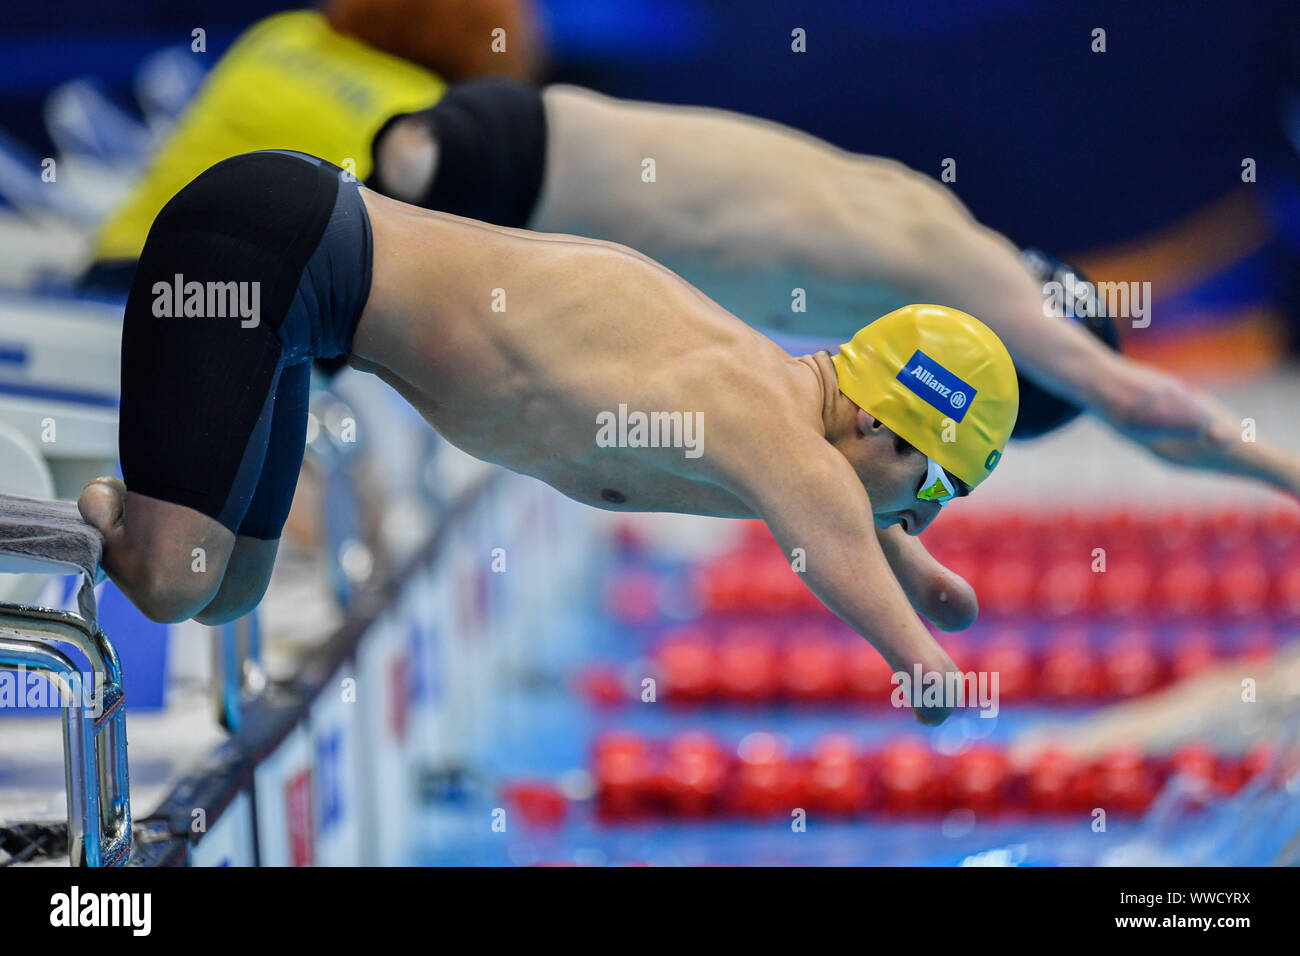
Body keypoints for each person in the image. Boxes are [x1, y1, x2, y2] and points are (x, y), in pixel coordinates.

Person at [77, 150, 1020, 726]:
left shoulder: (784, 417)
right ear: (874, 421)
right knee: (173, 580)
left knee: (226, 594)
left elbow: (849, 503)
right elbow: (829, 524)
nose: (924, 520)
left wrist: (925, 576)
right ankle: (87, 508)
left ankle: (128, 507)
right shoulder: (758, 412)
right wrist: (923, 666)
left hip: (306, 307)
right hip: (264, 247)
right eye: (935, 492)